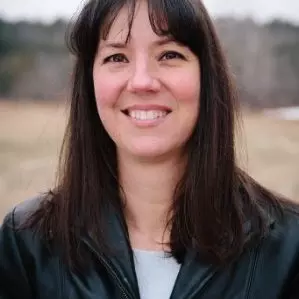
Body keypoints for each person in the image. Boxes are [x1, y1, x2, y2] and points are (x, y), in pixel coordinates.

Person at [0, 0, 299, 298]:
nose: (142, 82)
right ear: (89, 82)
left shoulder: (289, 248)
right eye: (117, 57)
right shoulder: (27, 243)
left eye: (169, 54)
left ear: (206, 77)